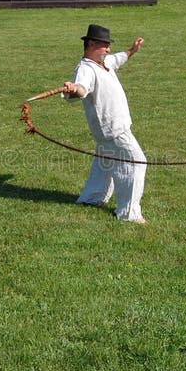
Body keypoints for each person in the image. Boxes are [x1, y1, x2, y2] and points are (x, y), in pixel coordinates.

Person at [62, 24, 147, 224]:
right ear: (91, 43)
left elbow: (118, 58)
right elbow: (82, 89)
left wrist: (132, 50)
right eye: (104, 45)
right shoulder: (85, 69)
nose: (108, 49)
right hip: (112, 129)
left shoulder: (104, 61)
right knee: (136, 162)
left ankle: (91, 198)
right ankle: (129, 213)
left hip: (114, 128)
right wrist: (73, 89)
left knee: (105, 164)